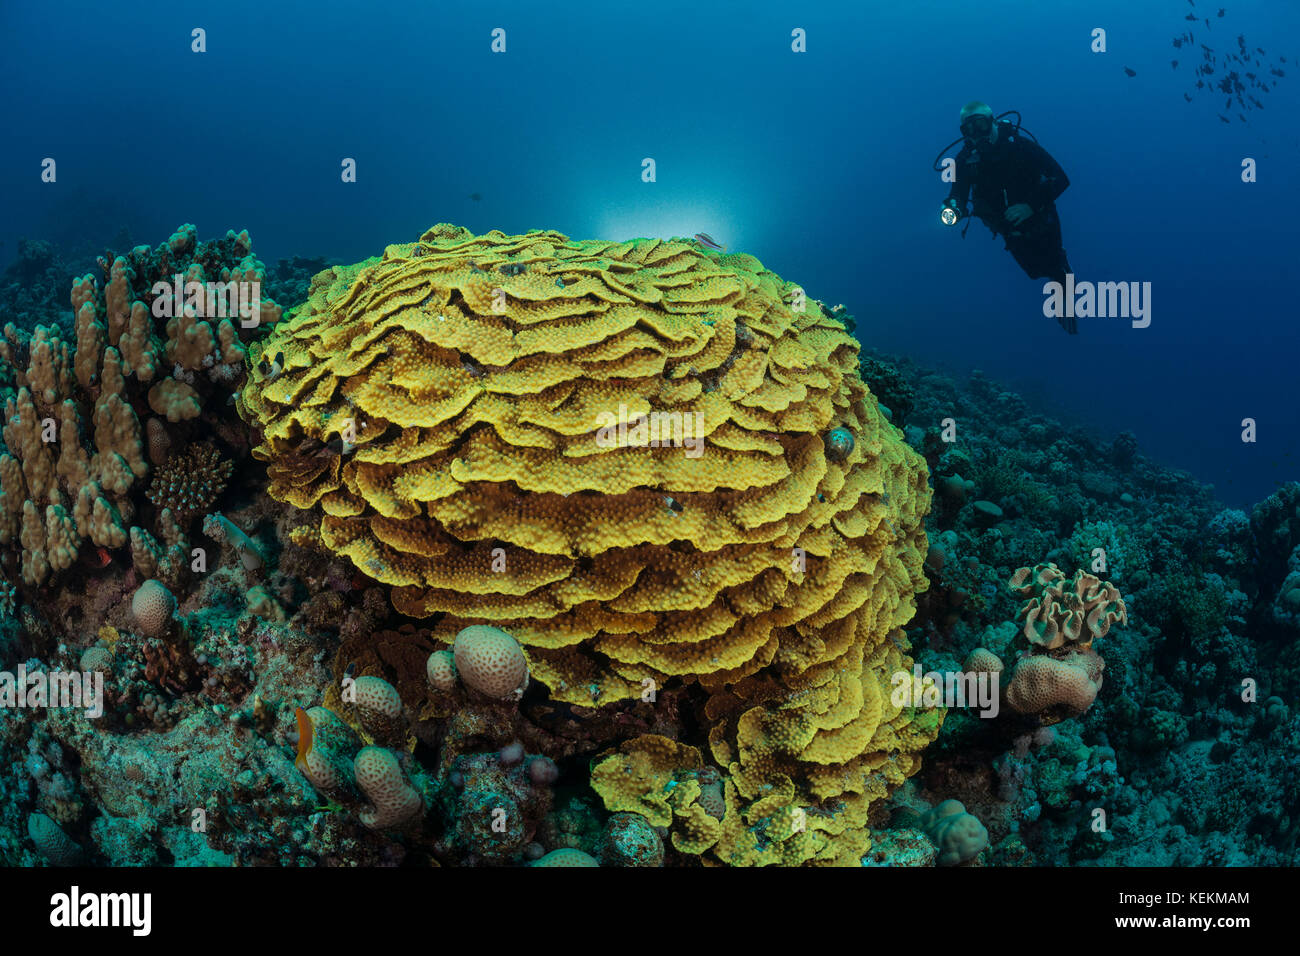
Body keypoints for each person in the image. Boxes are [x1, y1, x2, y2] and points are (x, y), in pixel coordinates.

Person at [941, 102, 1077, 333]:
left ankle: (1066, 292)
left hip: (1042, 222)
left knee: (1055, 267)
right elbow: (957, 195)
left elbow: (1061, 178)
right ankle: (1057, 282)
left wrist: (1030, 206)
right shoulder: (963, 161)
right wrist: (955, 210)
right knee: (1035, 271)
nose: (975, 134)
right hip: (1007, 229)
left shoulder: (1022, 147)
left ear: (993, 122)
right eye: (968, 129)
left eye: (980, 125)